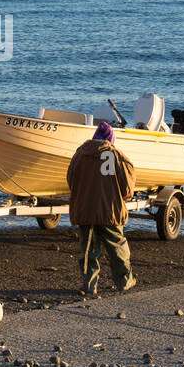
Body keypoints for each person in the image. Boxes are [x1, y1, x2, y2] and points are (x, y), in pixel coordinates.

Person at [66, 122, 137, 296]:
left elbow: (70, 180)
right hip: (109, 211)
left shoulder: (79, 155)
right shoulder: (116, 156)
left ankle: (89, 285)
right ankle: (124, 282)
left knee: (89, 250)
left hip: (85, 210)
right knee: (118, 248)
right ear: (110, 139)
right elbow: (128, 190)